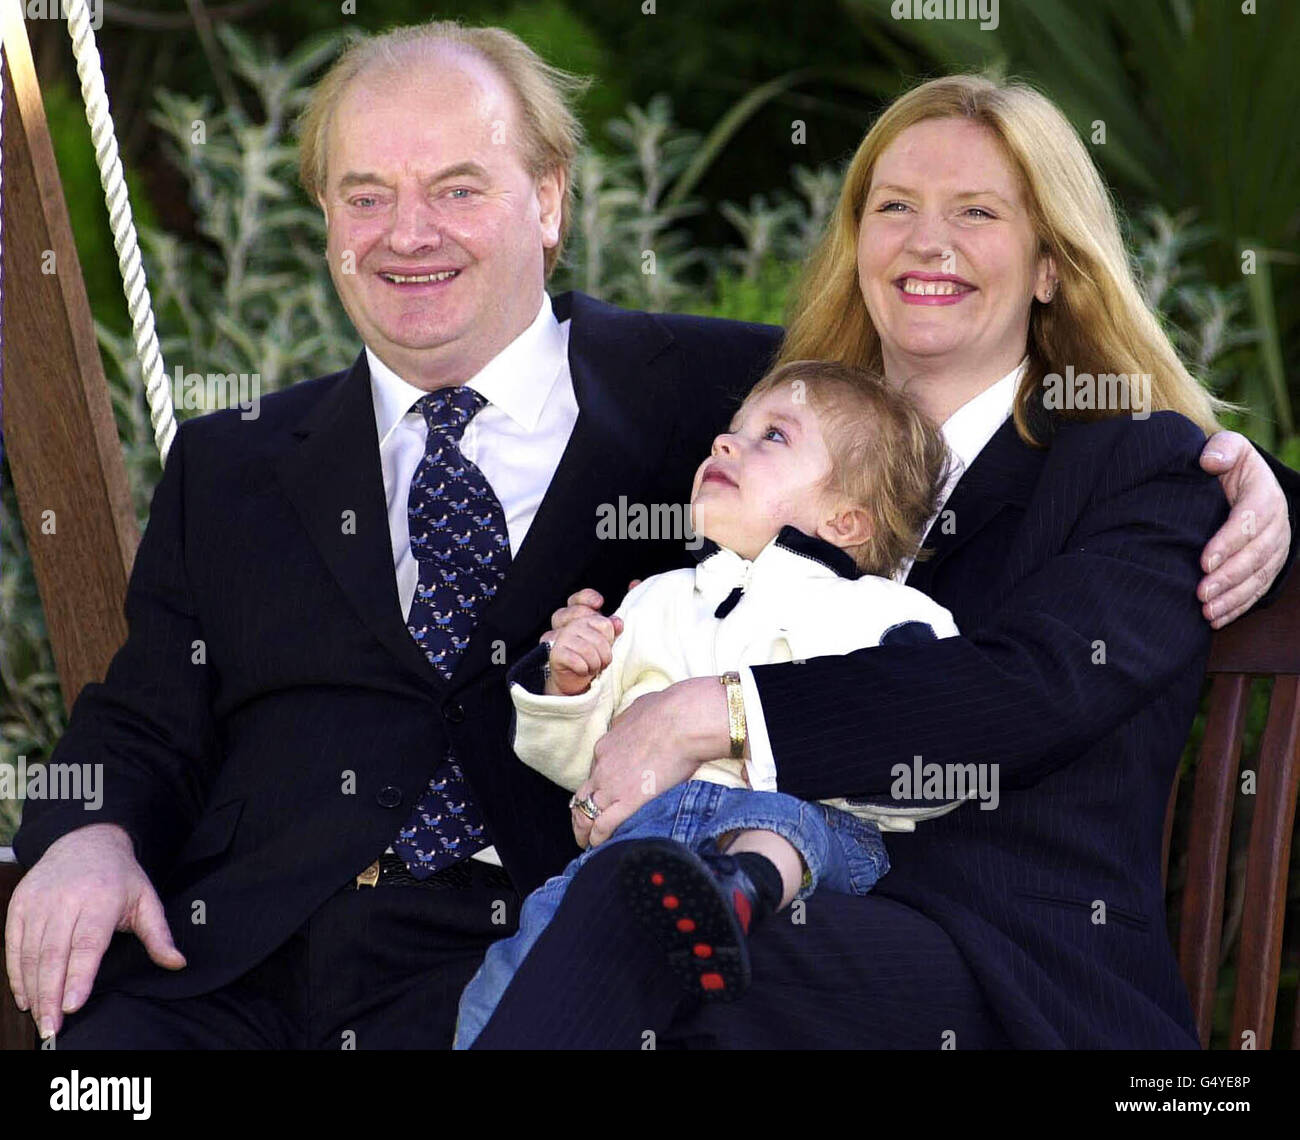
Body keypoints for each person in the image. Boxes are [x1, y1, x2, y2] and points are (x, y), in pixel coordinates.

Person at [2, 26, 1294, 1049]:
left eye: (458, 186)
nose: (409, 232)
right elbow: (136, 723)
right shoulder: (234, 465)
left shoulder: (716, 402)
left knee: (655, 934)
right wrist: (79, 833)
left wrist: (1282, 496)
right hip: (255, 958)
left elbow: (1024, 657)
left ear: (549, 203)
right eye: (366, 193)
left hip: (644, 937)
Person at [465, 73, 1300, 1050]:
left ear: (1049, 264)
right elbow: (594, 353)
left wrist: (717, 710)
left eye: (978, 212)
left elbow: (1032, 690)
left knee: (659, 931)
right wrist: (583, 669)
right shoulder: (776, 428)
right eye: (894, 206)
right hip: (751, 897)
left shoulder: (1135, 466)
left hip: (1006, 967)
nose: (927, 241)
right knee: (622, 920)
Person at [454, 360, 963, 1047]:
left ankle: (739, 888)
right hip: (636, 848)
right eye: (729, 432)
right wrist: (567, 684)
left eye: (772, 437)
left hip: (809, 829)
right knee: (501, 975)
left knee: (780, 816)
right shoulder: (656, 600)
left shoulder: (885, 612)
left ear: (846, 521)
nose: (725, 444)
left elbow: (924, 737)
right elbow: (587, 767)